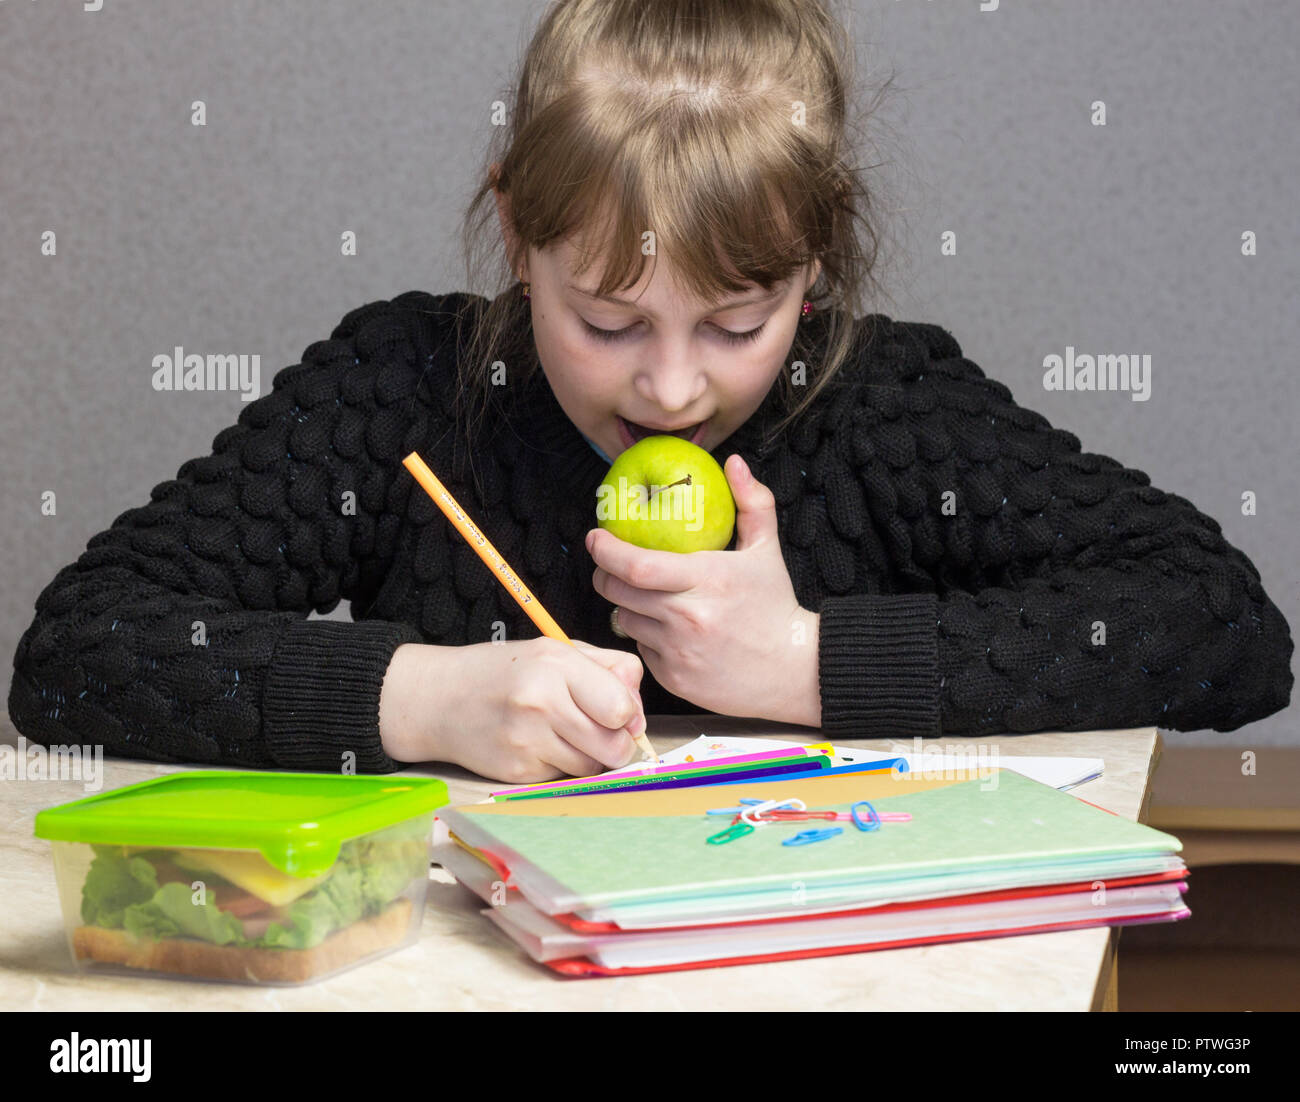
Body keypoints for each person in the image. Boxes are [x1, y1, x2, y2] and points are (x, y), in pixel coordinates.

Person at [9, 0, 1292, 783]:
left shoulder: (885, 407)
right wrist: (421, 696)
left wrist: (807, 661)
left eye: (738, 322)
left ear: (817, 262)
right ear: (516, 236)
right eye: (606, 319)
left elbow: (1223, 626)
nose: (672, 386)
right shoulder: (406, 389)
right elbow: (72, 657)